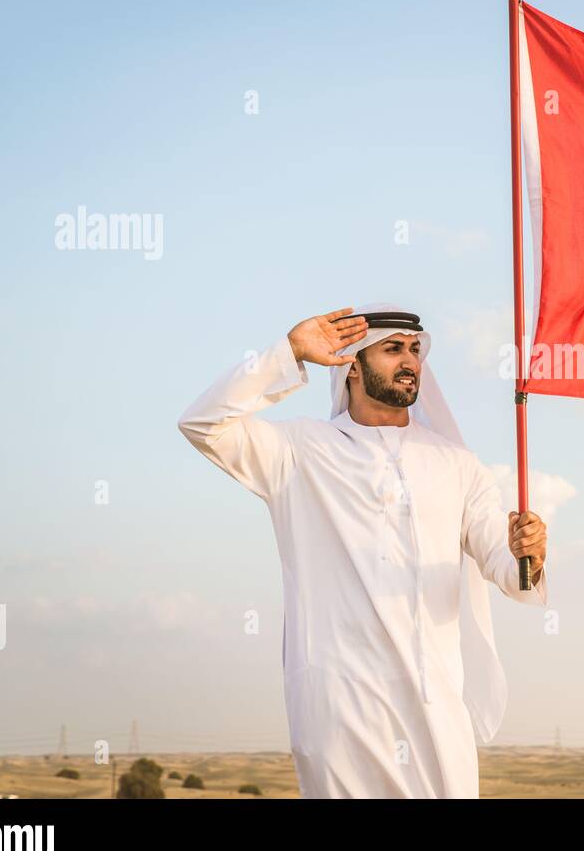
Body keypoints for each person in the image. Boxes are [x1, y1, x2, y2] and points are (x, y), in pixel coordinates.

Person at [177, 303, 549, 797]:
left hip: (434, 709)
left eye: (416, 351)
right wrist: (287, 353)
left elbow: (505, 567)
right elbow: (203, 424)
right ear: (351, 364)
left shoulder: (458, 465)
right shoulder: (299, 451)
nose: (410, 361)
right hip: (341, 711)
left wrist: (530, 554)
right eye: (393, 349)